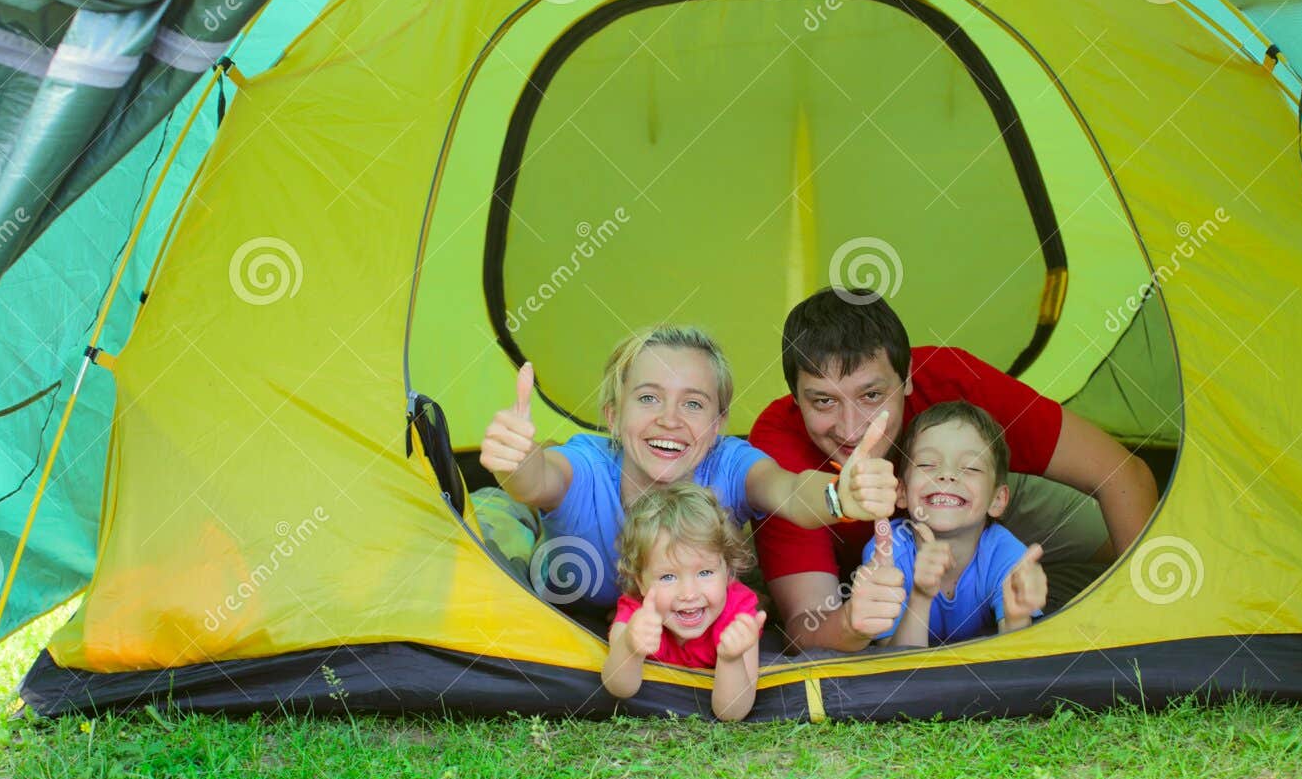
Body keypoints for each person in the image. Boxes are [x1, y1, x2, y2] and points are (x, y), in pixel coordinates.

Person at [749, 288, 1158, 652]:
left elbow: (1124, 474)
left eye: (872, 395)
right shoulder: (779, 447)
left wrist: (1146, 615)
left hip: (978, 501)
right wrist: (855, 624)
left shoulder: (952, 381)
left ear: (907, 379)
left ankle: (1008, 585)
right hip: (869, 564)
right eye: (823, 401)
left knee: (1115, 546)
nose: (853, 427)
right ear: (796, 398)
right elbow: (809, 628)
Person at [478, 324, 897, 612]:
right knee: (491, 522)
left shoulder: (729, 464)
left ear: (718, 426)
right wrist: (517, 461)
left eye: (693, 403)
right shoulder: (588, 465)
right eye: (648, 398)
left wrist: (840, 495)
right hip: (548, 565)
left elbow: (785, 488)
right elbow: (536, 480)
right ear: (612, 416)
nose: (670, 420)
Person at [859, 402, 1046, 647]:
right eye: (927, 464)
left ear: (997, 500)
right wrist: (921, 595)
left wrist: (1016, 619)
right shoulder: (887, 553)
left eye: (971, 467)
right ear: (901, 492)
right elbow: (897, 671)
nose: (947, 475)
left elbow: (1015, 667)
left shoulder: (1006, 556)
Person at [602, 484, 764, 720]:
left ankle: (766, 601)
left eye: (705, 573)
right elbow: (618, 688)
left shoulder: (737, 618)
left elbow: (731, 713)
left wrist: (731, 659)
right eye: (668, 577)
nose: (689, 593)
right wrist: (629, 647)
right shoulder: (638, 616)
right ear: (641, 583)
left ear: (728, 571)